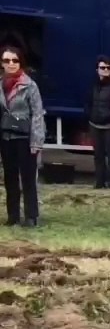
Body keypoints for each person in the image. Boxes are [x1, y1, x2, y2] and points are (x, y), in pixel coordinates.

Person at [1, 46, 44, 228]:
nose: (11, 64)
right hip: (6, 137)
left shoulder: (30, 85)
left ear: (21, 62)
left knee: (27, 178)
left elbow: (37, 114)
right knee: (9, 177)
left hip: (25, 138)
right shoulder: (0, 84)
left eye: (15, 60)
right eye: (7, 60)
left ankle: (31, 216)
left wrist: (36, 141)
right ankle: (13, 216)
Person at [86, 55, 110, 190]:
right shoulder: (92, 84)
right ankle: (99, 182)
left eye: (108, 67)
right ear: (97, 69)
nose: (106, 70)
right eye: (103, 67)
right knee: (98, 155)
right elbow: (87, 102)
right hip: (95, 124)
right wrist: (90, 115)